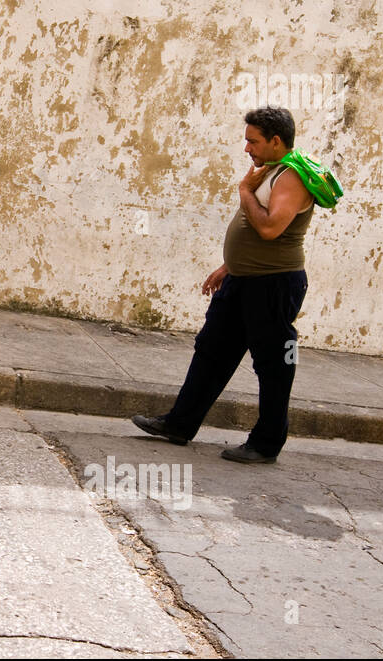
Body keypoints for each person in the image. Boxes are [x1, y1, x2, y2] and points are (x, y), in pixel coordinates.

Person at [132, 106, 314, 464]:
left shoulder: (290, 177)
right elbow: (255, 236)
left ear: (276, 141)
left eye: (253, 141)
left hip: (273, 286)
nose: (247, 148)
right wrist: (229, 266)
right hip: (243, 280)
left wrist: (244, 190)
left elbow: (269, 228)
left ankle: (266, 443)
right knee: (212, 351)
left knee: (274, 365)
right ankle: (179, 424)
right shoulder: (272, 170)